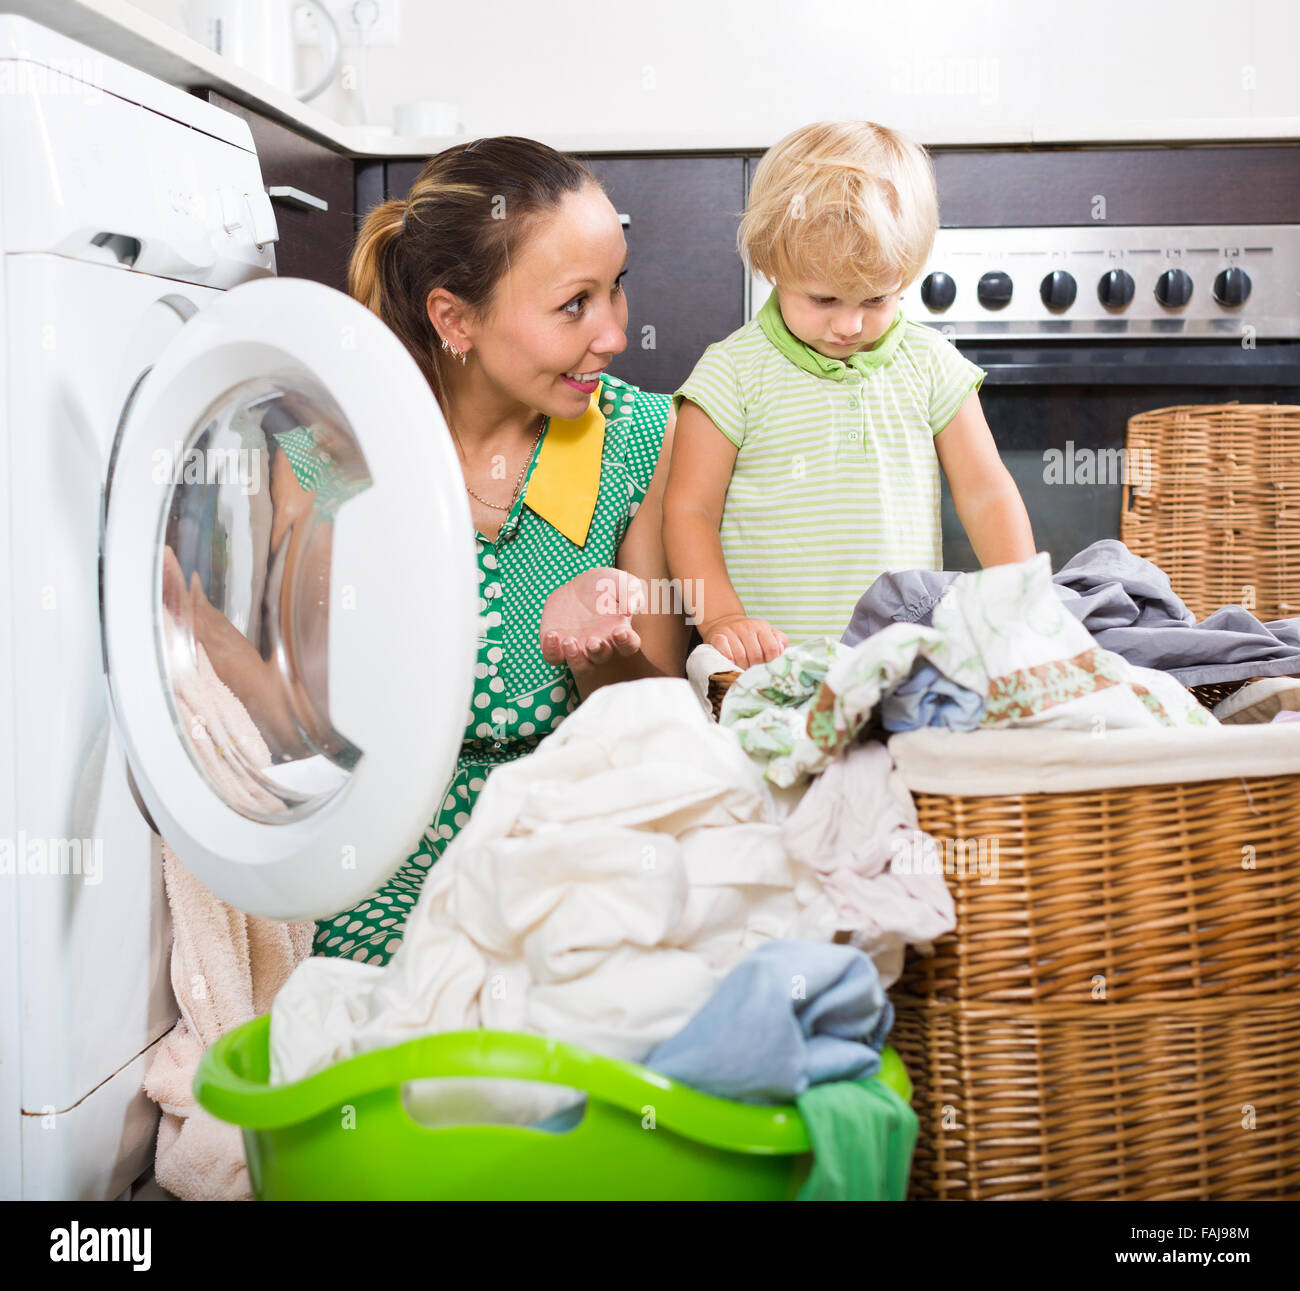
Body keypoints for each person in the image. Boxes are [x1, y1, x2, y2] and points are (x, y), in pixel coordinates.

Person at [314, 137, 689, 965]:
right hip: (382, 857)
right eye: (574, 305)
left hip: (571, 846)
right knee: (414, 1013)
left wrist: (595, 650)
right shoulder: (341, 452)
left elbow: (660, 729)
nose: (615, 334)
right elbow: (300, 714)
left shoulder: (637, 438)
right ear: (456, 319)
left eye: (616, 288)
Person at [664, 120, 1035, 669]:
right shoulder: (732, 372)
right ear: (772, 267)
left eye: (877, 298)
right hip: (774, 665)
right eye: (824, 298)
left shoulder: (931, 363)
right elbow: (689, 510)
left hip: (903, 660)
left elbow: (986, 492)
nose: (850, 324)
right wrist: (721, 617)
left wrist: (1023, 604)